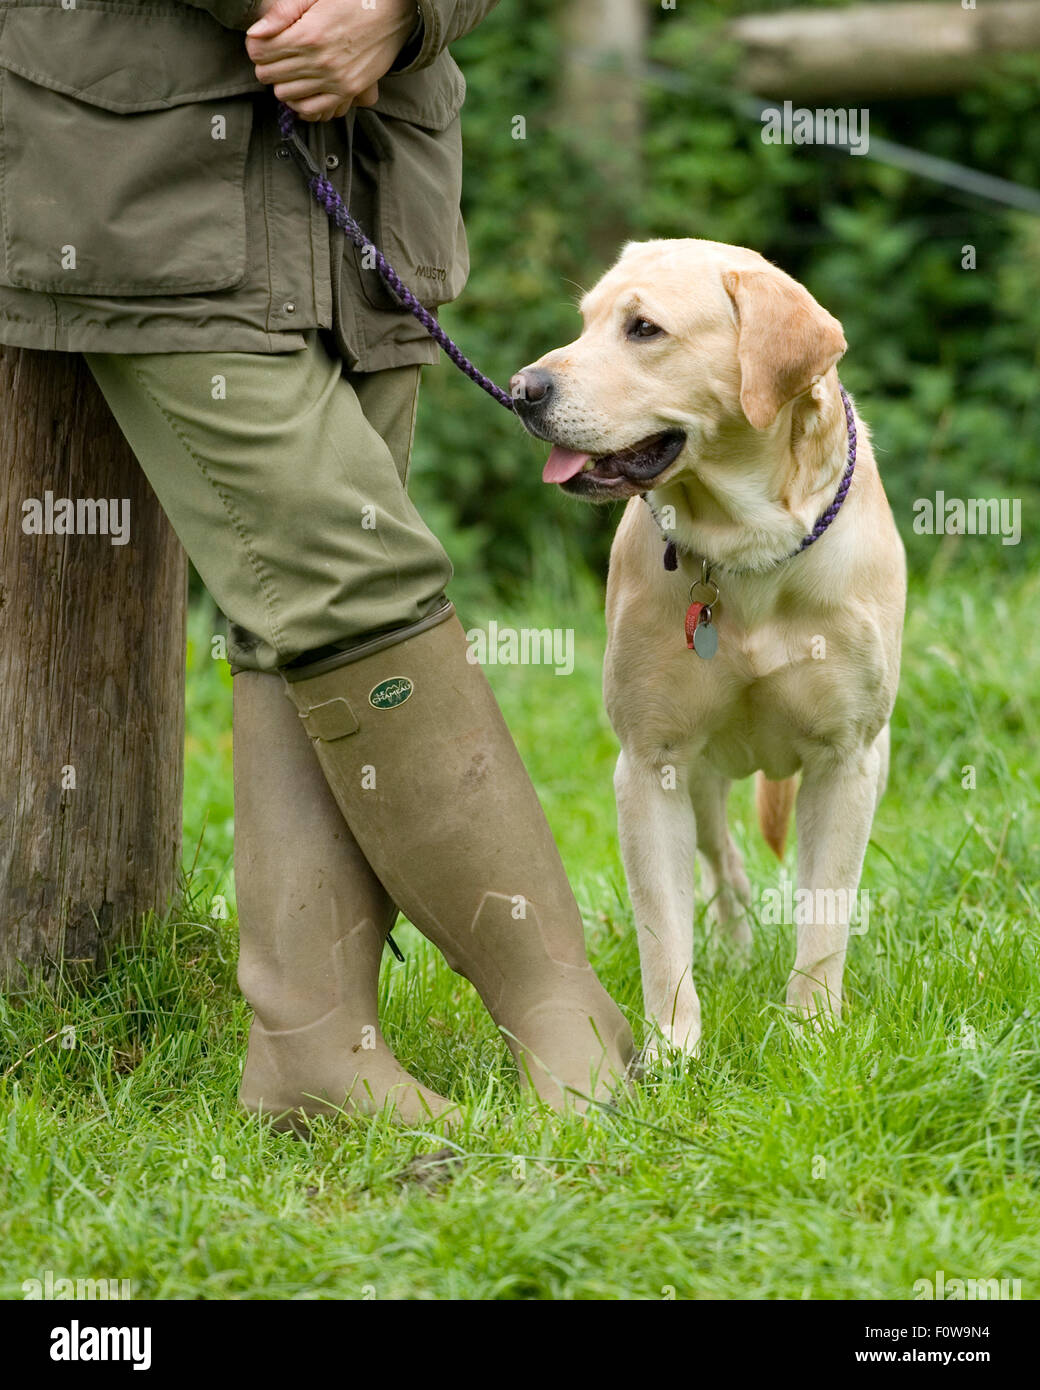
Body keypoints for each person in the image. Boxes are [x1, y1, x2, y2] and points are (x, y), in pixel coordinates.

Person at [0, 0, 635, 1125]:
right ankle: (565, 1016)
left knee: (294, 622)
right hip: (141, 181)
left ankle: (309, 1043)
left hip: (370, 185)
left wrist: (398, 12)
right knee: (357, 576)